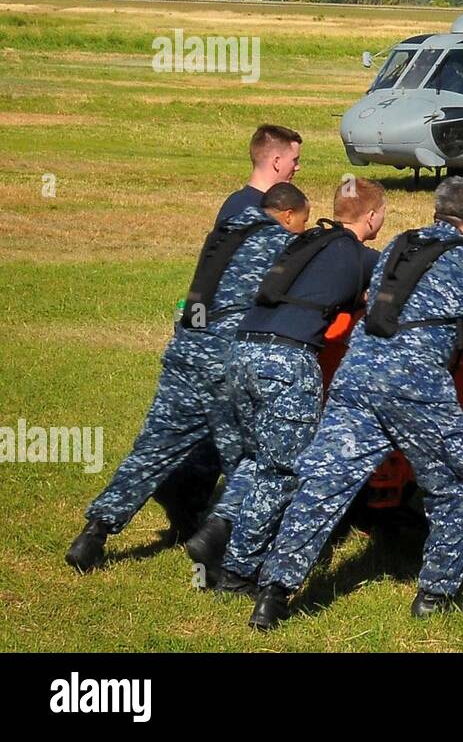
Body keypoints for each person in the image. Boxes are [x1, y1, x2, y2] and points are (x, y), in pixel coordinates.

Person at [247, 176, 463, 629]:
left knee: (324, 483)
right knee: (459, 475)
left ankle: (272, 594)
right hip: (417, 388)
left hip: (357, 377)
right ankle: (436, 594)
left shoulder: (397, 246)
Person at [65, 183, 310, 573]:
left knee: (153, 450)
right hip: (223, 359)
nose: (299, 229)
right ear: (287, 214)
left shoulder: (224, 232)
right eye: (301, 221)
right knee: (249, 455)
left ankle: (94, 532)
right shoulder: (277, 240)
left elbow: (200, 297)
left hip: (185, 349)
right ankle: (219, 542)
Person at [215, 178, 385, 594]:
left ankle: (215, 534)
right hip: (286, 361)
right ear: (372, 217)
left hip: (241, 353)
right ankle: (237, 573)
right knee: (282, 472)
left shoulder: (307, 241)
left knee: (257, 459)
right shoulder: (361, 257)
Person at [217, 124, 303, 223]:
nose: (297, 167)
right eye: (294, 160)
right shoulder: (266, 214)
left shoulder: (233, 203)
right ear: (277, 162)